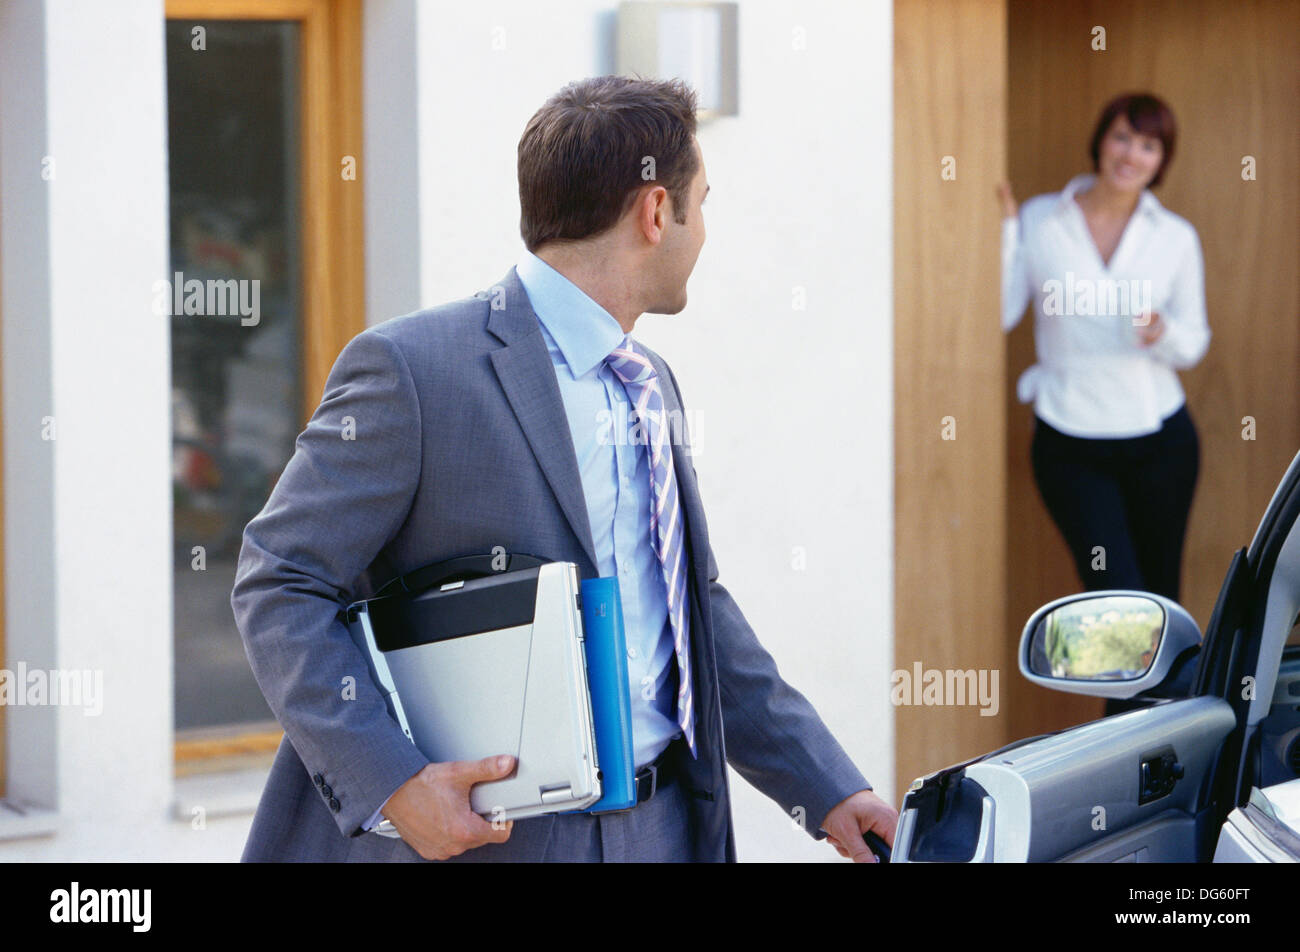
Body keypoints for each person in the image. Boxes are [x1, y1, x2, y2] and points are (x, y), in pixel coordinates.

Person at [231, 75, 898, 862]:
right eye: (703, 202)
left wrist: (825, 785)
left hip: (669, 829)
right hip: (498, 844)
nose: (705, 230)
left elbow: (693, 609)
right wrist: (394, 783)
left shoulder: (649, 380)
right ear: (656, 212)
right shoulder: (413, 371)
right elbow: (279, 582)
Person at [999, 93, 1208, 715]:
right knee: (1116, 613)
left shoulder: (1174, 237)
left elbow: (1194, 340)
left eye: (1148, 145)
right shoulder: (1041, 219)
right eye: (1123, 137)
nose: (1131, 154)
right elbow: (1000, 311)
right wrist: (1005, 233)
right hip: (1070, 442)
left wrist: (1160, 332)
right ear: (1101, 140)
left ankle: (1158, 758)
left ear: (1161, 160)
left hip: (1161, 441)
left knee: (1159, 611)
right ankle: (1125, 772)